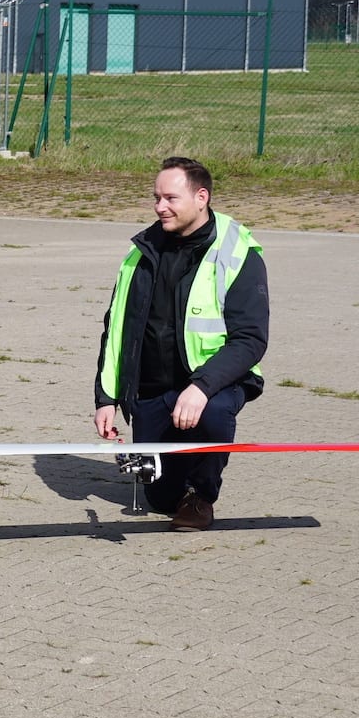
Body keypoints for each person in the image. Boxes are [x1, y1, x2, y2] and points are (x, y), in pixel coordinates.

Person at [95, 156, 269, 531]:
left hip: (214, 384)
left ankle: (200, 496)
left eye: (171, 198)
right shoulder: (140, 252)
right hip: (153, 390)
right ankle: (175, 486)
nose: (160, 207)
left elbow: (251, 340)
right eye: (156, 198)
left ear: (201, 197)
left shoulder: (237, 252)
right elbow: (117, 328)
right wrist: (106, 398)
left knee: (214, 413)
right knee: (159, 498)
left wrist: (201, 387)